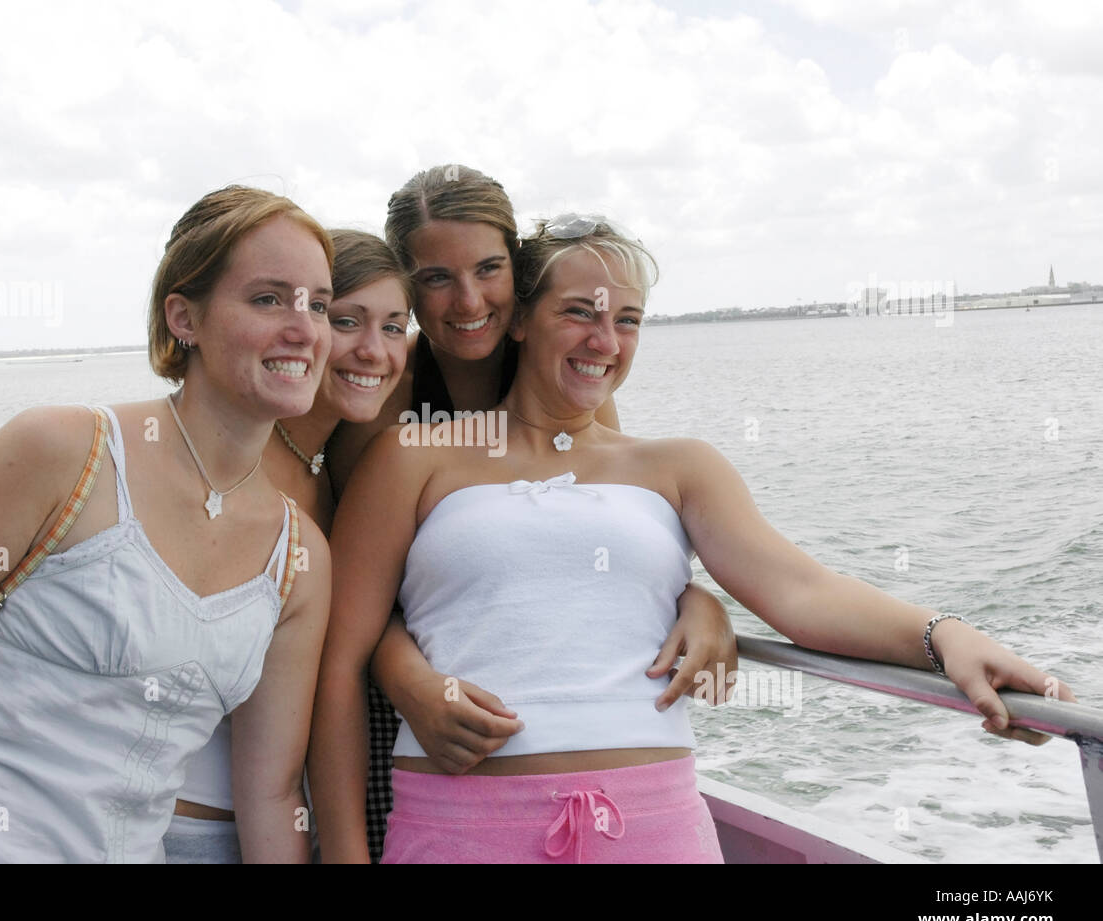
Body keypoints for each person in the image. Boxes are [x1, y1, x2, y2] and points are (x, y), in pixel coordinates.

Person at [309, 216, 1078, 863]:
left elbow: (802, 593)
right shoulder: (413, 457)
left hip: (653, 829)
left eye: (629, 319)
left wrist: (944, 637)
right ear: (519, 319)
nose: (605, 339)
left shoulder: (678, 466)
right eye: (580, 311)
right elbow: (339, 663)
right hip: (458, 828)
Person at [0, 185, 334, 863]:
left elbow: (269, 795)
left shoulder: (298, 559)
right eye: (268, 298)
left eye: (318, 305)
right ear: (184, 318)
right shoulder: (64, 454)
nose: (304, 327)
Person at [326, 166, 736, 861]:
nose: (468, 300)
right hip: (402, 707)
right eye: (435, 278)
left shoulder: (572, 384)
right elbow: (355, 594)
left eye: (489, 269)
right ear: (406, 284)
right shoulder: (386, 404)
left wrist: (700, 597)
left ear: (518, 275)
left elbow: (594, 532)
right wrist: (408, 680)